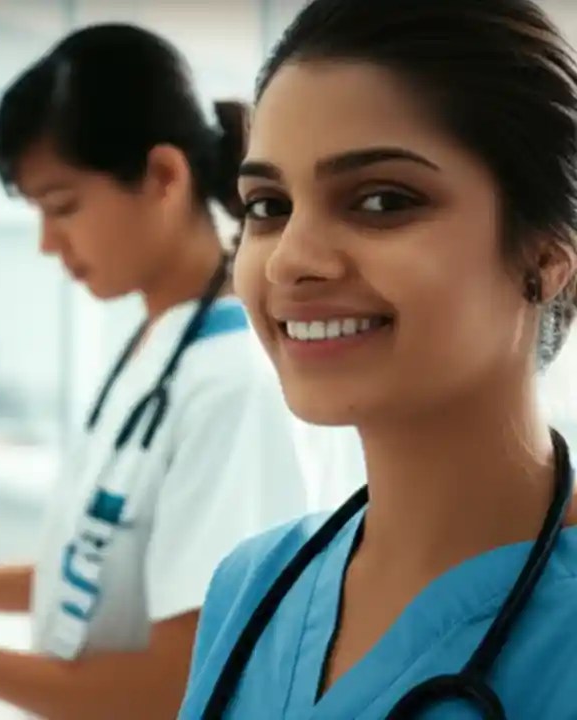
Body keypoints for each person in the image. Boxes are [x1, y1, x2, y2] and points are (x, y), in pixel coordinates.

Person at [0, 24, 313, 720]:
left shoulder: (234, 384)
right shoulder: (158, 345)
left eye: (63, 206)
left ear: (163, 177)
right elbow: (98, 570)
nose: (46, 241)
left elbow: (186, 680)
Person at [179, 0, 577, 717]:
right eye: (268, 206)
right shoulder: (251, 589)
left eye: (383, 200)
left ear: (547, 258)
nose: (290, 261)